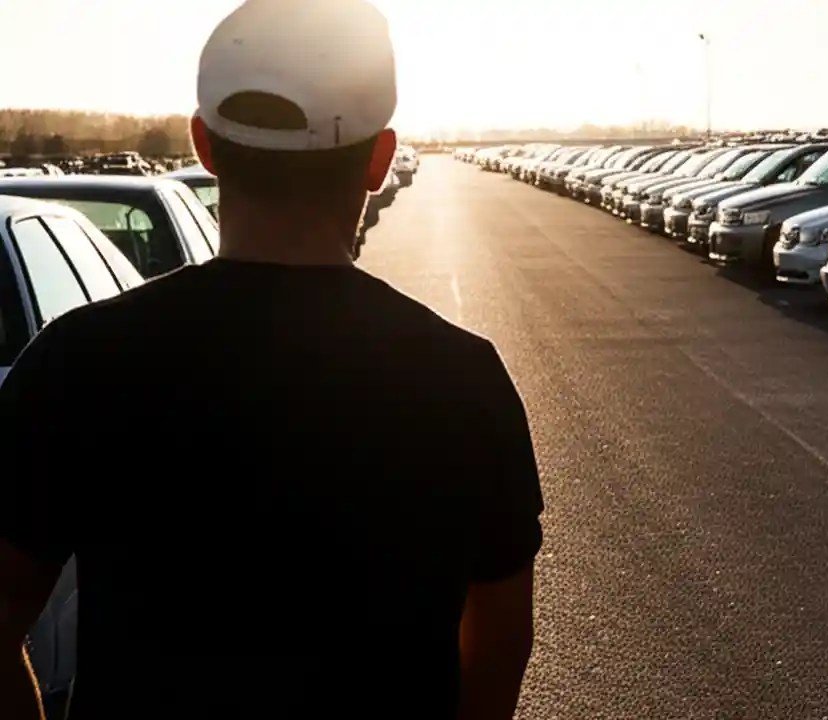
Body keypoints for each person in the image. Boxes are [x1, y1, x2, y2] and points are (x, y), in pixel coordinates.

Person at [0, 1, 544, 718]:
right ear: (380, 161)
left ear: (204, 144)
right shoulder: (467, 382)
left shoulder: (74, 365)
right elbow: (499, 647)